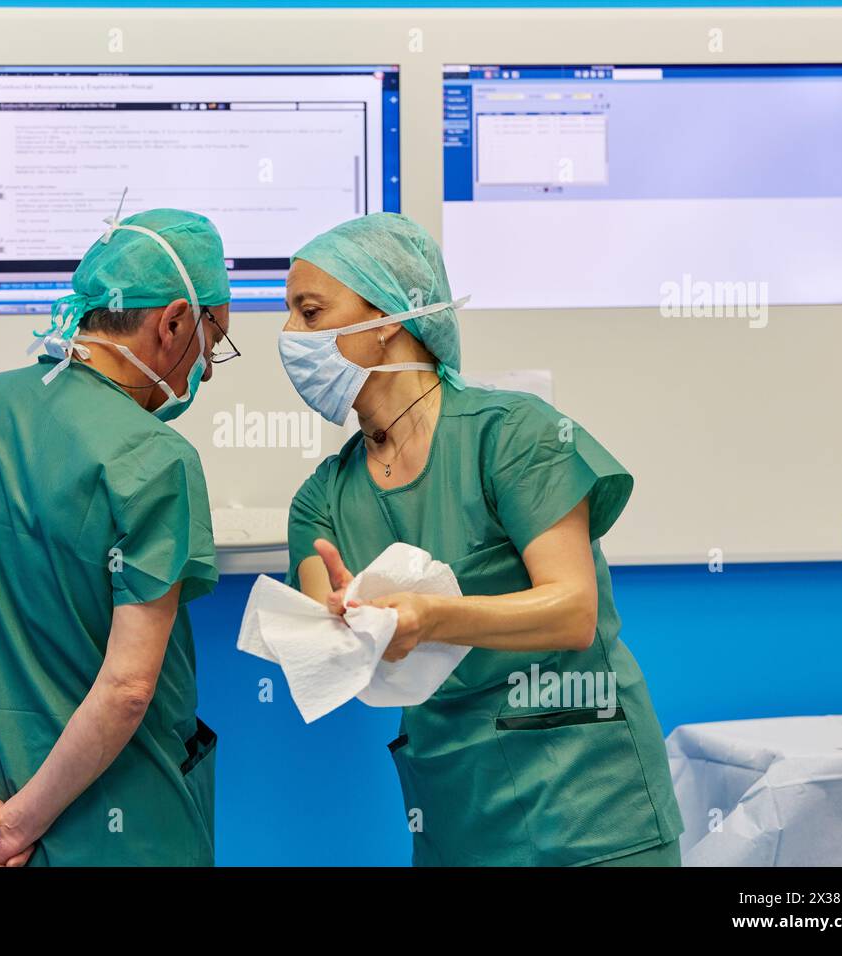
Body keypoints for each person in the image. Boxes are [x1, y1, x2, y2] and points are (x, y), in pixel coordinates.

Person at [279, 212, 685, 866]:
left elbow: (574, 611)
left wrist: (434, 617)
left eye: (310, 311)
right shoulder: (322, 499)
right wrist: (341, 632)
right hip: (456, 811)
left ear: (386, 319)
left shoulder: (513, 436)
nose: (290, 336)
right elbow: (334, 648)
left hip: (590, 808)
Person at [0, 208, 236, 866]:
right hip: (123, 836)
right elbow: (128, 687)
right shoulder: (157, 459)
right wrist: (20, 828)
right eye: (213, 341)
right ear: (176, 321)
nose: (206, 371)